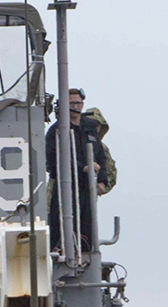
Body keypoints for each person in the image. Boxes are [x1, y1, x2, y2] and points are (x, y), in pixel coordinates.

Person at [45, 88, 117, 255]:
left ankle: (85, 252)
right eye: (72, 104)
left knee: (86, 230)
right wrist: (82, 168)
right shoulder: (56, 132)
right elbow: (54, 162)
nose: (76, 107)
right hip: (65, 189)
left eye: (78, 103)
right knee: (61, 225)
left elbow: (101, 157)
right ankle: (60, 249)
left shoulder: (90, 128)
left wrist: (102, 182)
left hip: (87, 189)